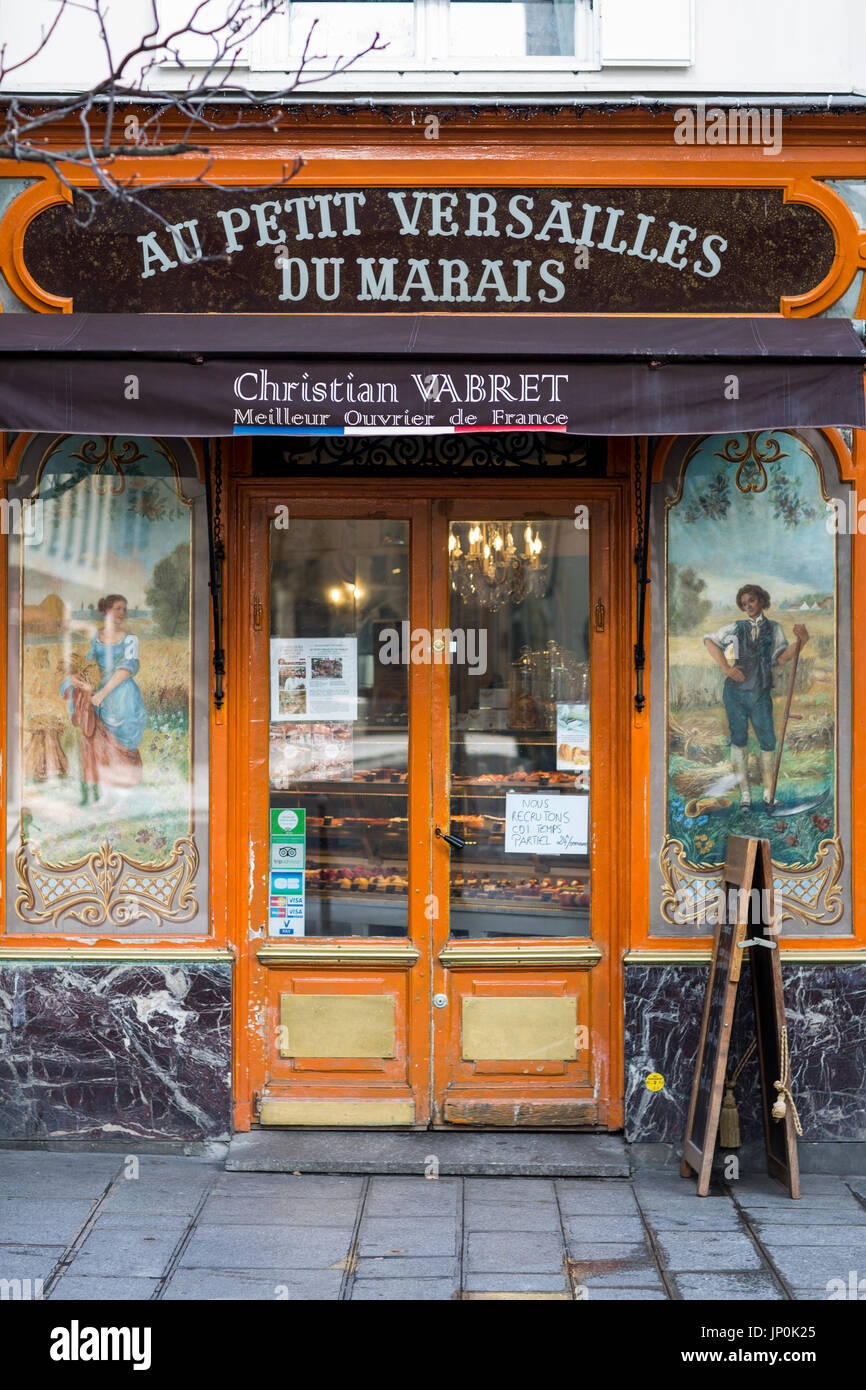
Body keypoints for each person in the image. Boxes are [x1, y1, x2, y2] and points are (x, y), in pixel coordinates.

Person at [703, 584, 808, 809]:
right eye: (743, 603)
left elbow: (780, 659)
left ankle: (769, 794)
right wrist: (727, 668)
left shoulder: (774, 628)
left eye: (751, 600)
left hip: (760, 693)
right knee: (739, 739)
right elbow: (709, 641)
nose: (747, 606)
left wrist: (802, 641)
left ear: (761, 600)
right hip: (735, 693)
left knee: (767, 741)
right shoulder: (735, 627)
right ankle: (745, 796)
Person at [60, 594, 147, 809]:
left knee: (120, 746)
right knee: (100, 745)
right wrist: (79, 678)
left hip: (121, 697)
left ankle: (123, 799)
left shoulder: (130, 639)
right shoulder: (97, 637)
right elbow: (90, 663)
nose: (122, 613)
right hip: (98, 694)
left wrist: (102, 694)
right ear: (107, 610)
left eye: (124, 609)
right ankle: (107, 796)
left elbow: (126, 669)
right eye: (118, 608)